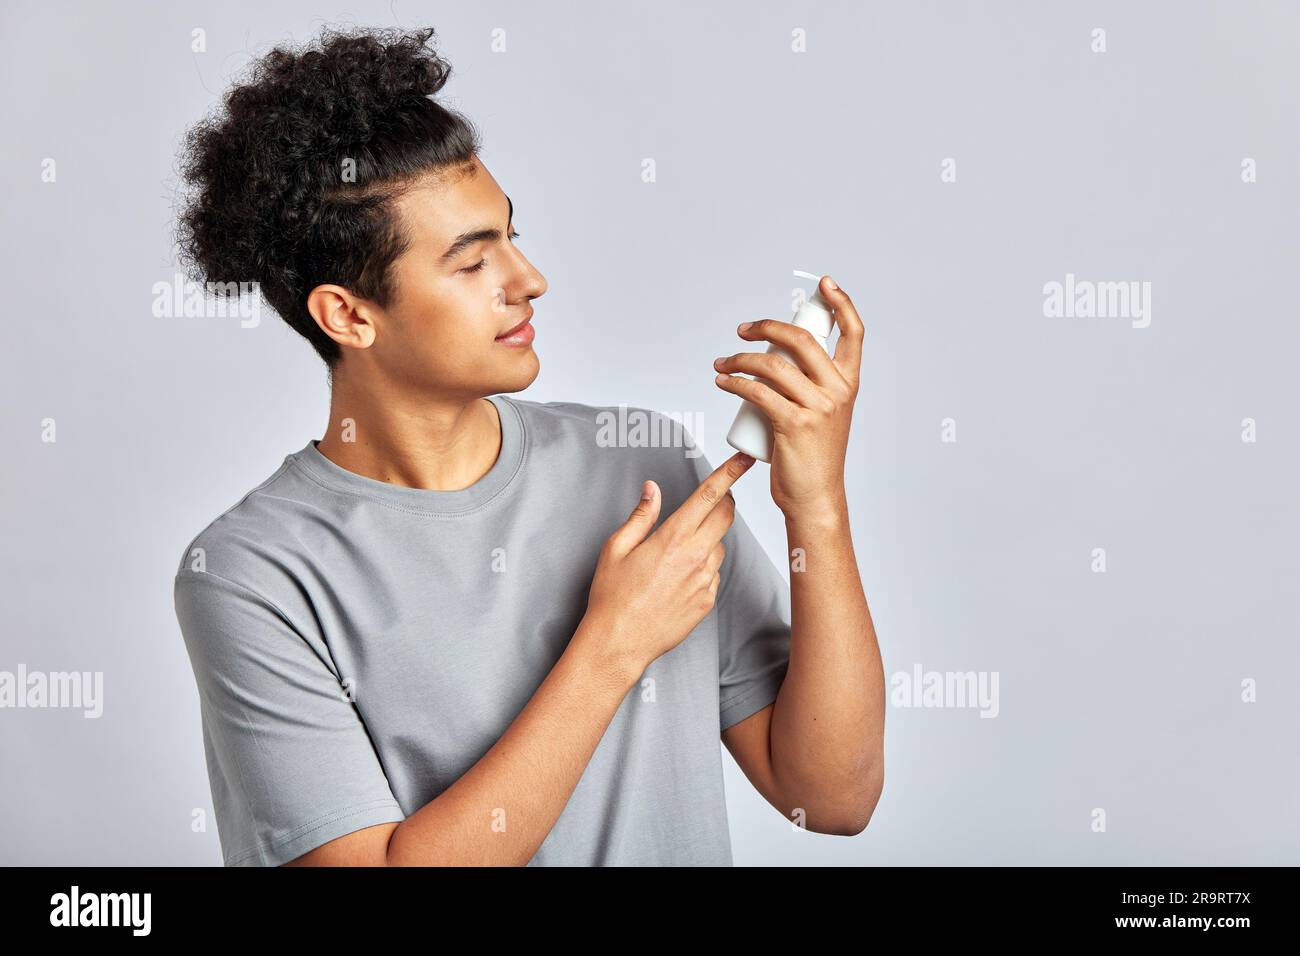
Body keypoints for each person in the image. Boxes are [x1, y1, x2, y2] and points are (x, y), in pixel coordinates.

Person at [172, 25, 884, 866]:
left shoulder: (645, 469)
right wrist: (613, 644)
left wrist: (818, 507)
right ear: (349, 316)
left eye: (513, 234)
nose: (528, 279)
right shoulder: (253, 572)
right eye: (473, 264)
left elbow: (831, 798)